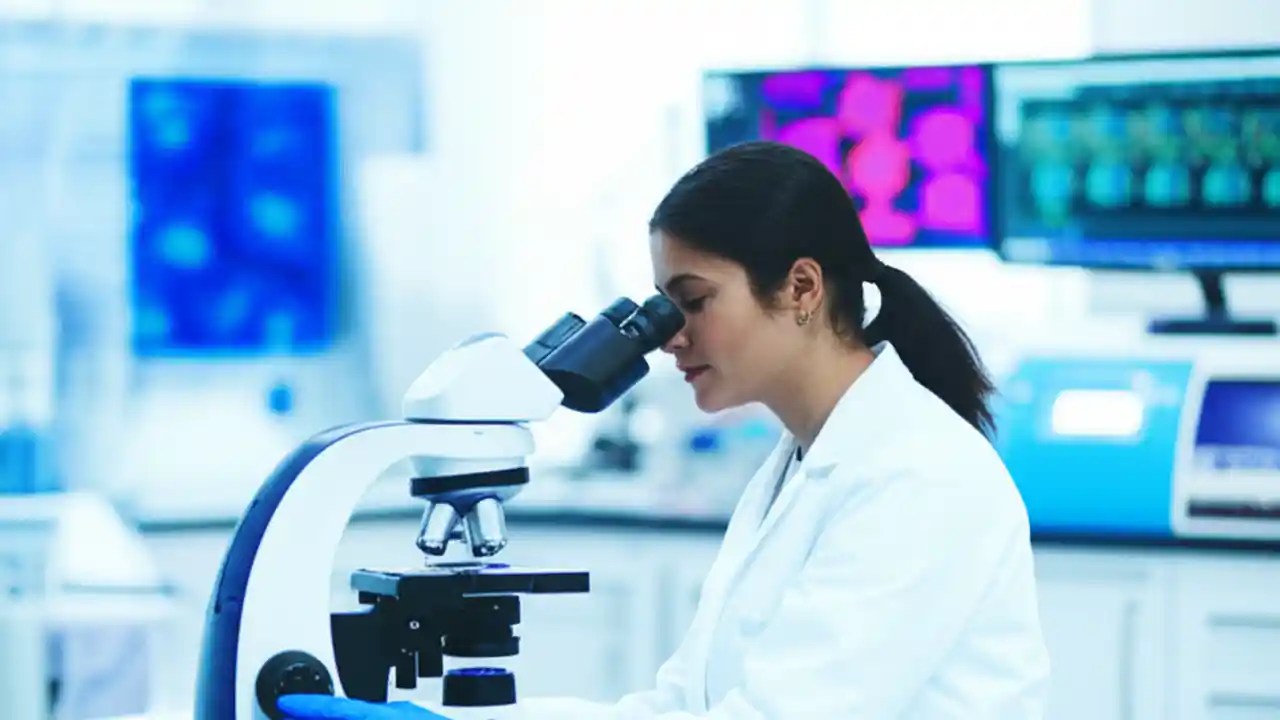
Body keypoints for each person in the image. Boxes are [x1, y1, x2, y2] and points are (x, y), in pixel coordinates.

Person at [279, 141, 1051, 720]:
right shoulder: (802, 466)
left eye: (694, 301)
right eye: (661, 306)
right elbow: (681, 706)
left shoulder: (917, 478)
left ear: (802, 288)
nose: (669, 336)